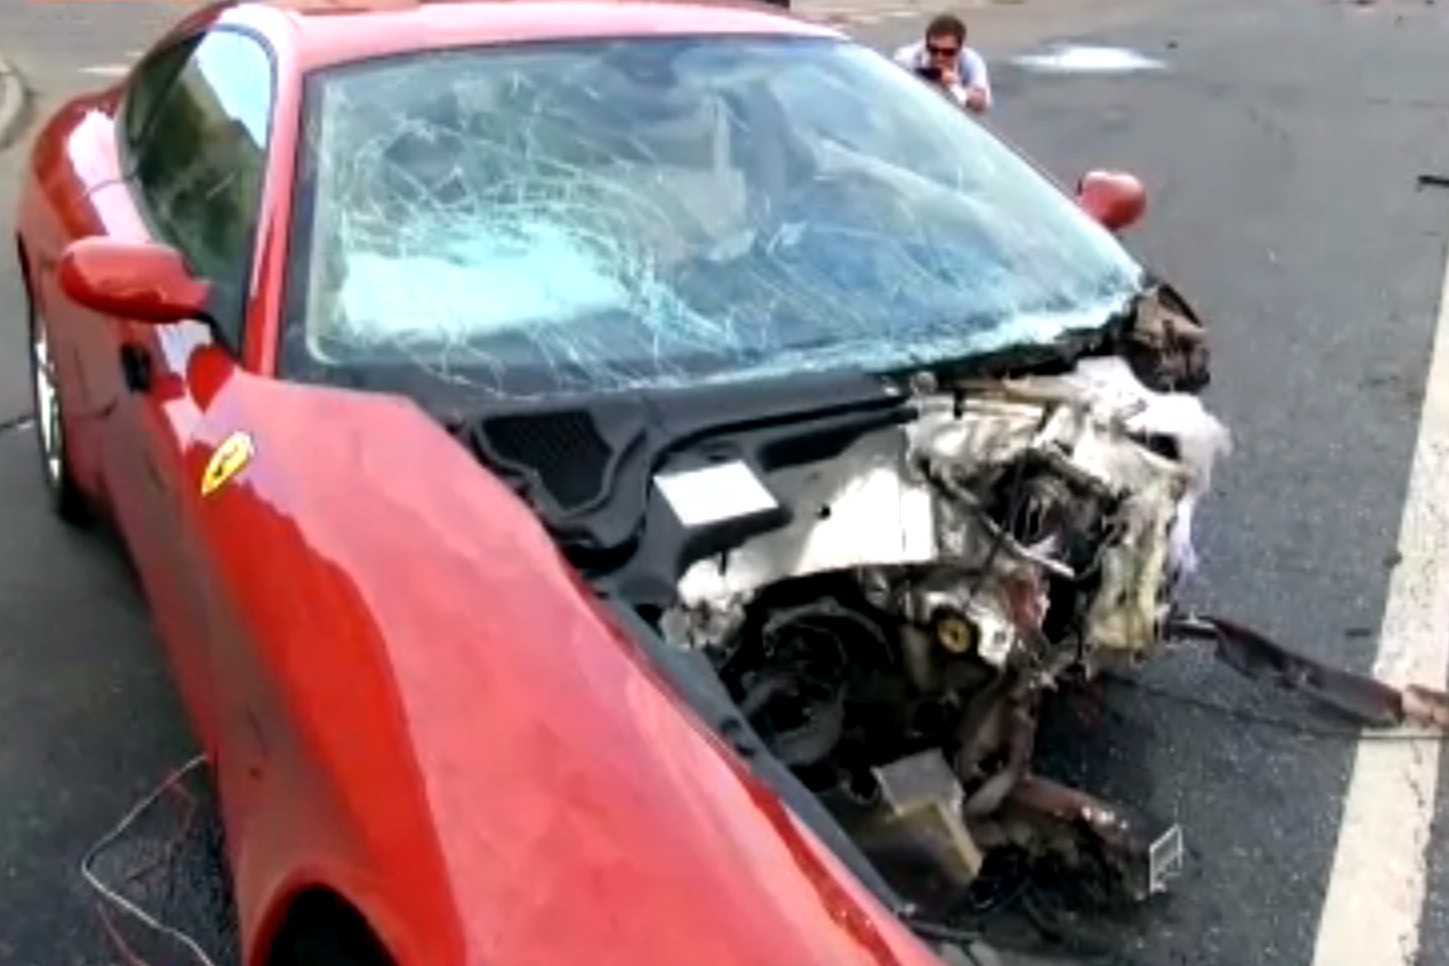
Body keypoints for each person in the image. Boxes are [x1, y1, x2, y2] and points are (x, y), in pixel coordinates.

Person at [892, 13, 992, 115]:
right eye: (933, 50)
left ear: (960, 49)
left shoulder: (971, 60)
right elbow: (895, 75)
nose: (939, 57)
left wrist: (956, 89)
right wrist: (936, 75)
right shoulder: (909, 55)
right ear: (926, 43)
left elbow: (981, 102)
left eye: (948, 52)